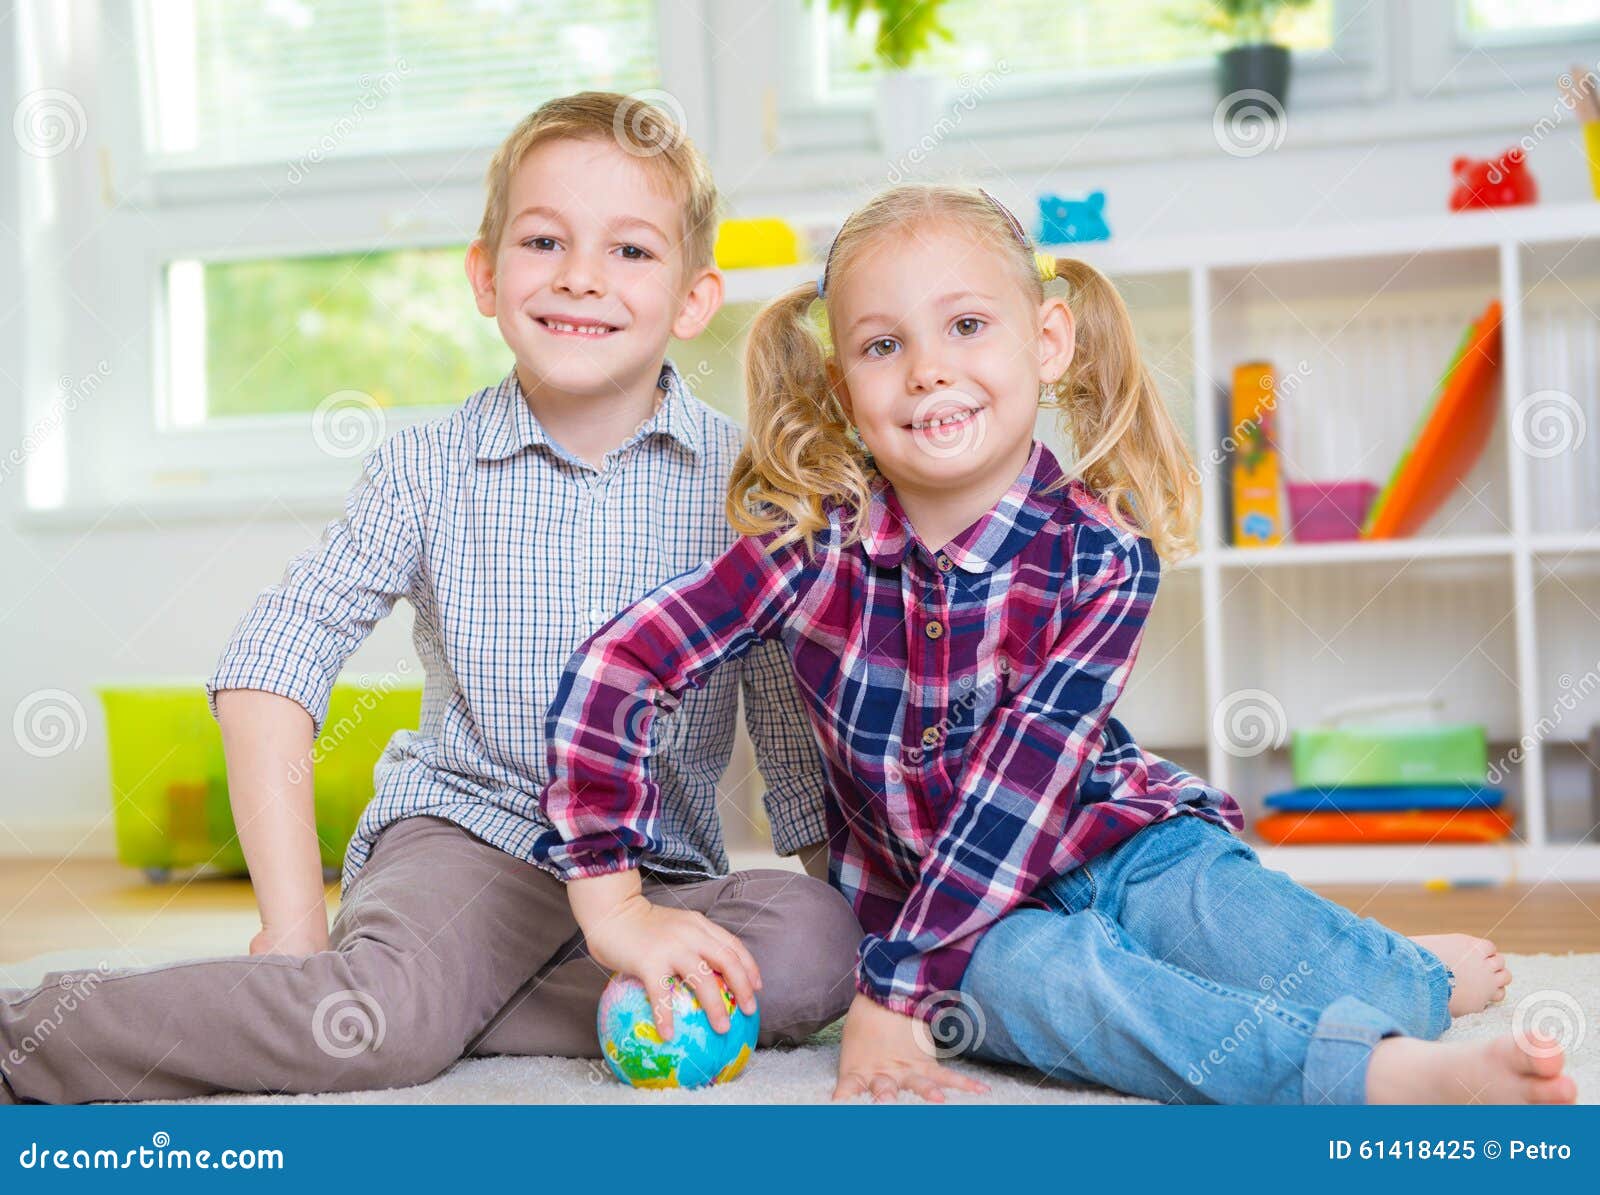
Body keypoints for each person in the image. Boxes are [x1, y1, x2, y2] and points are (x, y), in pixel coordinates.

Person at [533, 183, 1573, 1106]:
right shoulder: (811, 543)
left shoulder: (1104, 555)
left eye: (968, 325)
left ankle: (1407, 979)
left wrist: (891, 992)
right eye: (883, 346)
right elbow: (620, 668)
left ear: (1049, 341)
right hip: (947, 914)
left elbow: (1019, 788)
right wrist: (612, 896)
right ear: (843, 382)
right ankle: (1376, 1077)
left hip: (1125, 842)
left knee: (1291, 947)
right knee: (1071, 991)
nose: (929, 371)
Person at [0, 92, 860, 1106]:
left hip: (654, 872)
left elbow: (794, 738)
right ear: (485, 277)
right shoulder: (423, 469)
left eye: (630, 251)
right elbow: (272, 663)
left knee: (816, 948)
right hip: (465, 849)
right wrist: (291, 928)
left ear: (693, 298)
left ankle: (448, 1007)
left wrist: (860, 940)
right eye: (545, 240)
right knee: (371, 1024)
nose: (582, 274)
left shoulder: (750, 487)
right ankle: (30, 1038)